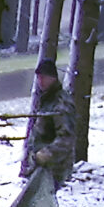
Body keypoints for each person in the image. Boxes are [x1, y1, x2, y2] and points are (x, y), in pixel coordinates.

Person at [21, 59, 76, 189]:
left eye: (44, 78)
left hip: (53, 169)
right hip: (40, 167)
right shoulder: (46, 99)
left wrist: (45, 155)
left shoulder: (61, 103)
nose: (40, 81)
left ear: (53, 78)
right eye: (38, 78)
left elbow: (66, 139)